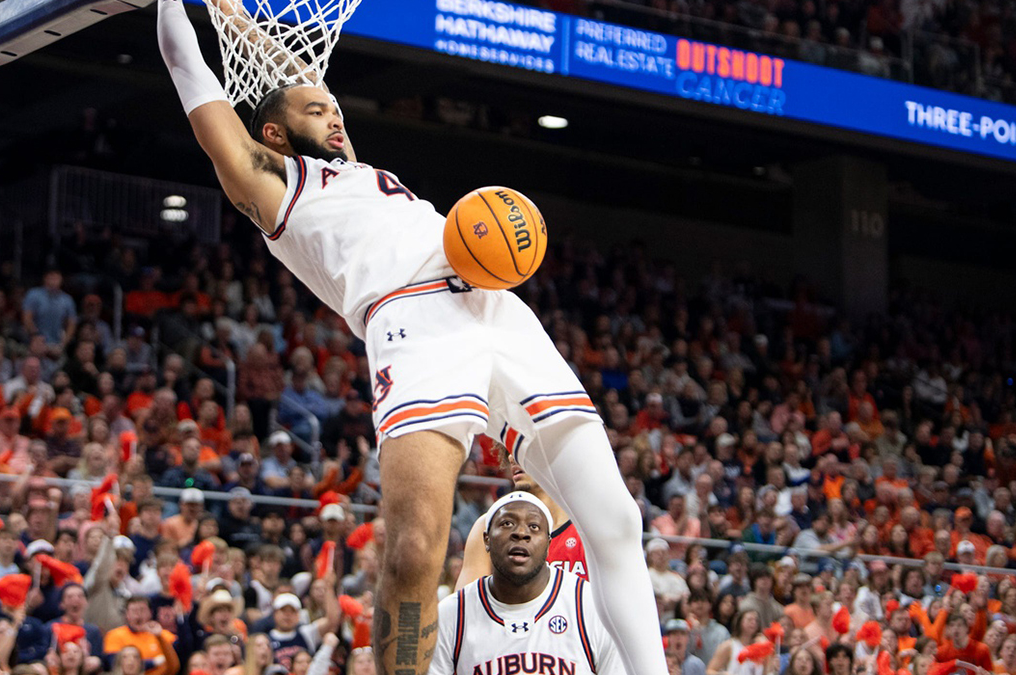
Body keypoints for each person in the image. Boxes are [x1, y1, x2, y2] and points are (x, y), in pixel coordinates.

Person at [155, 7, 664, 675]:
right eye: (317, 110)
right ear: (275, 131)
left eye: (334, 105)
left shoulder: (354, 168)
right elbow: (190, 72)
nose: (334, 114)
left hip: (495, 304)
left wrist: (231, 15)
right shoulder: (272, 183)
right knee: (417, 549)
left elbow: (292, 69)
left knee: (617, 521)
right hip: (413, 325)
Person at [430, 492, 623, 675]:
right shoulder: (452, 613)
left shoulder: (591, 606)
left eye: (534, 527)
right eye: (507, 523)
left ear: (548, 545)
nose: (521, 533)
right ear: (486, 540)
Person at [455, 446, 587, 589]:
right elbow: (464, 606)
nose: (512, 457)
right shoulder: (488, 525)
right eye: (510, 448)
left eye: (524, 446)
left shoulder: (590, 529)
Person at [103, 597, 180, 675]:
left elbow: (174, 666)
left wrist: (159, 637)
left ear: (151, 613)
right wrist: (154, 662)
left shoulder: (165, 636)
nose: (138, 616)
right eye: (134, 611)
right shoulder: (114, 635)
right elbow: (114, 664)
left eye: (142, 610)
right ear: (126, 614)